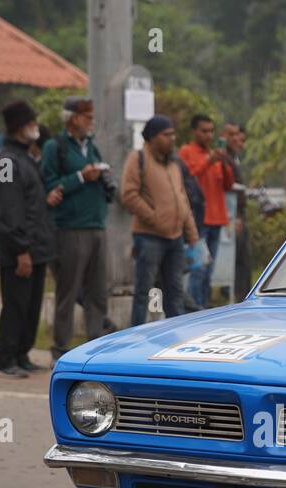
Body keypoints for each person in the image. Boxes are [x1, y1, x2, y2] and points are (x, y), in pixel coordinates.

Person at [0, 100, 61, 377]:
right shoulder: (8, 161)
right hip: (19, 250)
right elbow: (9, 209)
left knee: (30, 307)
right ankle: (6, 358)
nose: (36, 126)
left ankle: (22, 354)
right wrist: (21, 249)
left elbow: (31, 203)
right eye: (31, 122)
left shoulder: (25, 158)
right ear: (20, 127)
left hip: (37, 247)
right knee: (16, 306)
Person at [41, 97, 114, 361]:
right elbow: (48, 185)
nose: (91, 122)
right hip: (70, 228)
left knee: (97, 293)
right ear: (73, 118)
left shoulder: (91, 148)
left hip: (96, 225)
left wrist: (103, 178)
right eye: (87, 117)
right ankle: (61, 348)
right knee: (68, 292)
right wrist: (81, 177)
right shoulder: (55, 147)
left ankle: (95, 350)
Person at [119, 114, 200, 327]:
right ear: (153, 137)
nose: (172, 139)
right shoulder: (138, 159)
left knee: (175, 293)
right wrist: (154, 218)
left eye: (173, 134)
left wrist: (191, 233)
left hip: (175, 238)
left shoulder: (174, 164)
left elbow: (182, 198)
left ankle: (175, 339)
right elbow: (128, 195)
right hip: (149, 237)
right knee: (144, 293)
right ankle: (134, 337)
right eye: (166, 135)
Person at [179, 114, 234, 308]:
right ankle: (194, 311)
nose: (209, 135)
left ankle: (202, 309)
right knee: (198, 269)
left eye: (211, 131)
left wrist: (225, 162)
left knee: (209, 270)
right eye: (204, 131)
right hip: (198, 220)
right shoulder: (186, 152)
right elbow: (187, 178)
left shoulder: (215, 154)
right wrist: (208, 161)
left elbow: (228, 185)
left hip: (217, 219)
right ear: (194, 131)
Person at [223, 121, 252, 300]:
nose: (236, 140)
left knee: (244, 261)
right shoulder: (223, 158)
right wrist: (234, 217)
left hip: (238, 213)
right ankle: (235, 297)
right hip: (231, 215)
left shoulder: (233, 157)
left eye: (238, 136)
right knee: (237, 261)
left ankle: (242, 296)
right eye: (231, 135)